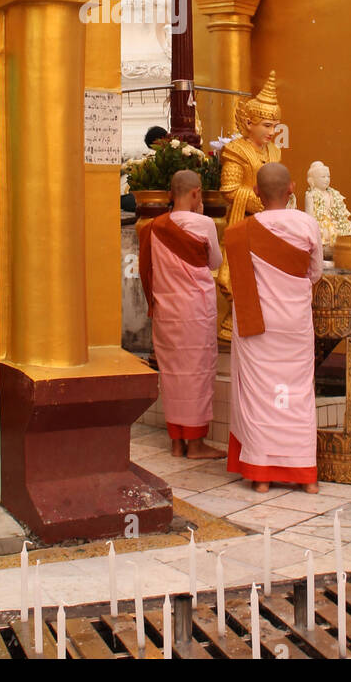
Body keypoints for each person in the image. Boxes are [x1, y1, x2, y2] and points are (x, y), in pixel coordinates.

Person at [225, 162, 322, 494]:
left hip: (258, 325)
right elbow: (315, 273)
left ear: (255, 193)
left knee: (262, 394)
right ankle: (306, 475)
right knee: (296, 394)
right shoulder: (308, 224)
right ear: (292, 188)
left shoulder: (241, 231)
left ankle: (262, 474)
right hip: (294, 324)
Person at [138, 169, 223, 459]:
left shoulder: (154, 226)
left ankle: (176, 441)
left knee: (172, 375)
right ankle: (196, 444)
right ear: (196, 193)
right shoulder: (203, 223)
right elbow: (215, 262)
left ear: (171, 194)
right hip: (196, 312)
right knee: (198, 373)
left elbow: (146, 271)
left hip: (166, 312)